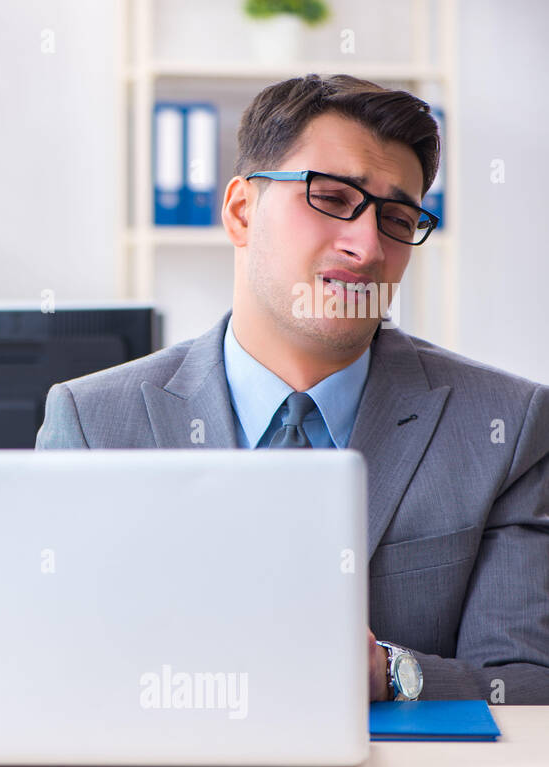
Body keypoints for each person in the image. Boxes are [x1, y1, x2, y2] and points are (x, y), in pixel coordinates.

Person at [36, 74, 549, 704]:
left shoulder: (506, 425)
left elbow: (526, 686)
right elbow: (50, 668)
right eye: (332, 198)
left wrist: (387, 674)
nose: (366, 246)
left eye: (397, 217)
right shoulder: (93, 422)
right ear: (241, 211)